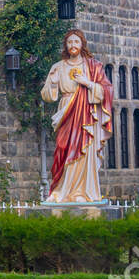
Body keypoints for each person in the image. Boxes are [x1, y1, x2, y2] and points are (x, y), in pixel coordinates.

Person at [39, 28, 114, 203]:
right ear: (66, 45)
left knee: (84, 151)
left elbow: (107, 90)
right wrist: (52, 83)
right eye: (70, 42)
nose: (73, 45)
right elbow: (47, 95)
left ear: (82, 45)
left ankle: (82, 192)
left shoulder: (93, 66)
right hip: (66, 111)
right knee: (63, 149)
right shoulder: (58, 66)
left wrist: (87, 83)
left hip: (86, 113)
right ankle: (60, 191)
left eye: (76, 42)